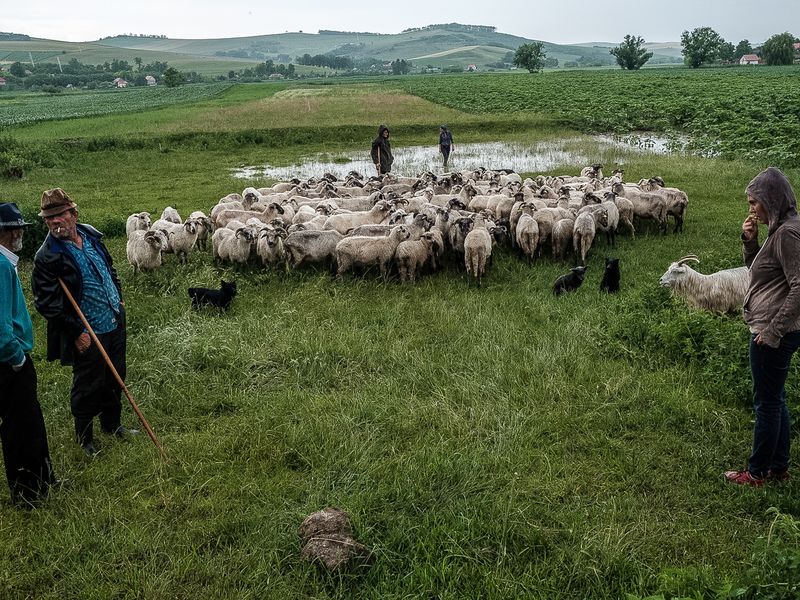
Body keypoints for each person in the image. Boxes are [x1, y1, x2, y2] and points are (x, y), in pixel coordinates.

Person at [32, 188, 136, 458]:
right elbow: (46, 303)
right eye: (48, 218)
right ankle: (85, 438)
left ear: (73, 214)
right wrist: (76, 331)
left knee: (116, 376)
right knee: (88, 383)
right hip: (88, 329)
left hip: (113, 317)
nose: (54, 222)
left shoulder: (91, 235)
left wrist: (119, 298)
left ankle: (112, 425)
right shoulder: (47, 256)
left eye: (59, 215)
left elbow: (109, 268)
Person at [725, 167, 800, 487]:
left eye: (754, 202)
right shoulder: (782, 228)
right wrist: (750, 243)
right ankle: (778, 467)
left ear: (771, 200)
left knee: (766, 402)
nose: (751, 208)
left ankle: (757, 473)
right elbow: (762, 273)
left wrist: (773, 331)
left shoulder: (787, 233)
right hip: (775, 328)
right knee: (775, 397)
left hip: (774, 332)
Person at [0, 202, 57, 506]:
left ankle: (42, 476)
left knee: (30, 419)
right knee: (19, 425)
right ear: (9, 232)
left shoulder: (5, 262)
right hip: (10, 364)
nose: (20, 233)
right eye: (17, 228)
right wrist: (16, 357)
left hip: (13, 360)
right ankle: (27, 492)